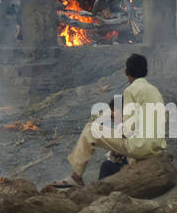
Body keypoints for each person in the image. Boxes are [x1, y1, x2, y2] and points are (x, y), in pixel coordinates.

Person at [58, 53, 167, 186]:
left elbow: (128, 129)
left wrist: (115, 127)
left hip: (140, 148)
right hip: (157, 147)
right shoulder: (155, 91)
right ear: (146, 71)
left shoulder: (131, 90)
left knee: (91, 131)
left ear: (127, 72)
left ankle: (76, 177)